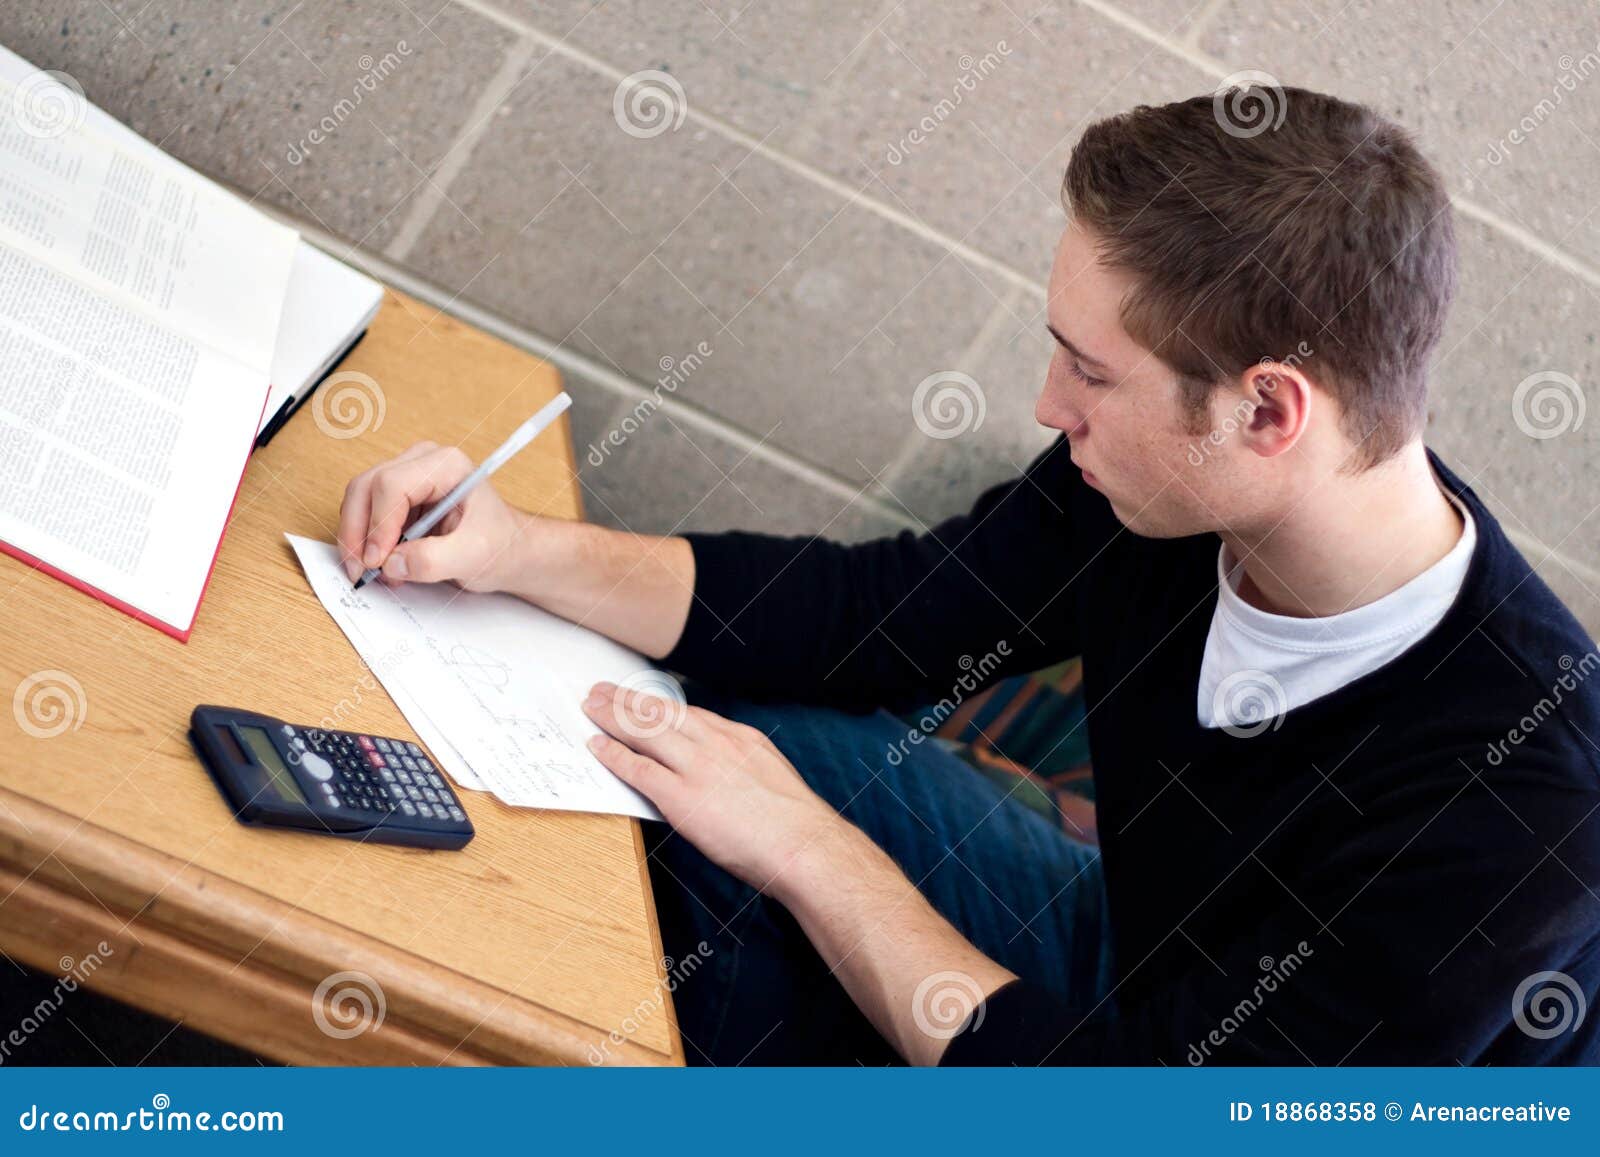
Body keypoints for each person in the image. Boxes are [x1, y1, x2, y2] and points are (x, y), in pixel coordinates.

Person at [336, 88, 1600, 1066]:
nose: (1053, 407)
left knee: (755, 879)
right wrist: (520, 549)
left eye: (1092, 374)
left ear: (1267, 411)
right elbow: (864, 624)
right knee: (690, 756)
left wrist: (811, 855)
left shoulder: (1523, 808)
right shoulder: (1159, 489)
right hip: (1134, 959)